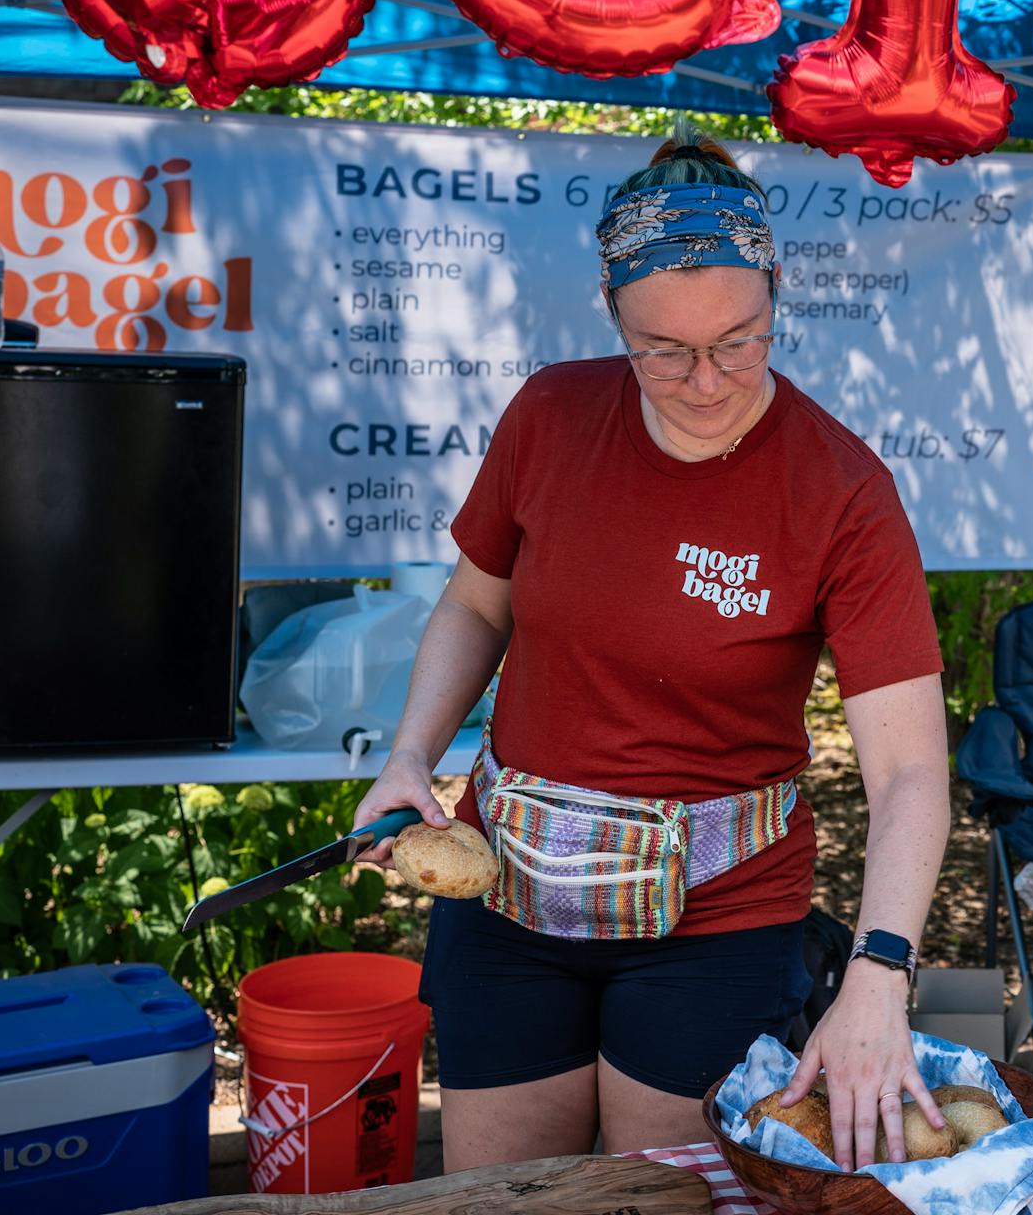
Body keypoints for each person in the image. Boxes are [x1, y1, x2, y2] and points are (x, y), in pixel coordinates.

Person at [353, 134, 950, 1172]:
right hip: (510, 892)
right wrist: (411, 755)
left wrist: (879, 972)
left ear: (775, 291)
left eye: (739, 340)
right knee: (501, 1199)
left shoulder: (841, 492)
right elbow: (474, 608)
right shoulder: (551, 415)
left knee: (657, 1198)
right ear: (611, 310)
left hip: (715, 922)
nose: (706, 379)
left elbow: (906, 772)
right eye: (663, 350)